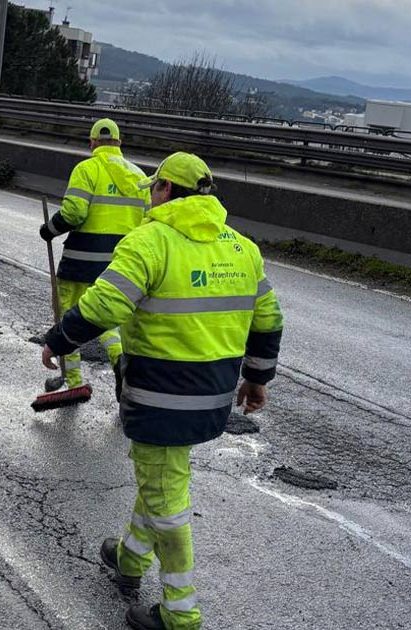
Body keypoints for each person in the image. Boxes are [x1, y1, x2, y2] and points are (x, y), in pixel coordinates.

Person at [40, 152, 284, 630]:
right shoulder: (242, 248)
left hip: (158, 394)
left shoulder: (149, 242)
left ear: (167, 189)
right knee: (163, 474)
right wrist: (256, 379)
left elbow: (103, 306)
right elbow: (269, 320)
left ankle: (180, 612)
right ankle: (130, 558)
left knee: (168, 500)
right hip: (213, 397)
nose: (151, 194)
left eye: (155, 187)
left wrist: (57, 339)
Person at [39, 118, 149, 393]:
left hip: (81, 262)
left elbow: (74, 212)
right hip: (121, 265)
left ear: (92, 143)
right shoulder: (139, 177)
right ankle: (119, 359)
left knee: (69, 316)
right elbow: (149, 223)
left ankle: (73, 382)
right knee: (108, 316)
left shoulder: (87, 169)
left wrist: (49, 229)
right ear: (119, 143)